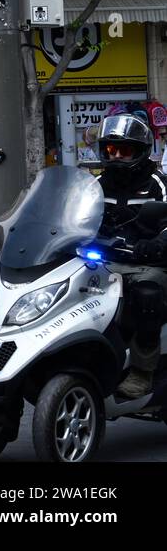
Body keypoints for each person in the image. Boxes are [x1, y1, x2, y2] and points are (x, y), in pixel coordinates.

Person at [95, 113, 167, 398]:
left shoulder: (156, 183)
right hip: (105, 259)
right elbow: (70, 214)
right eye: (111, 150)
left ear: (140, 151)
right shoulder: (97, 184)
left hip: (148, 262)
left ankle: (142, 372)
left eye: (125, 151)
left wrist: (158, 243)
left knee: (147, 295)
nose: (117, 157)